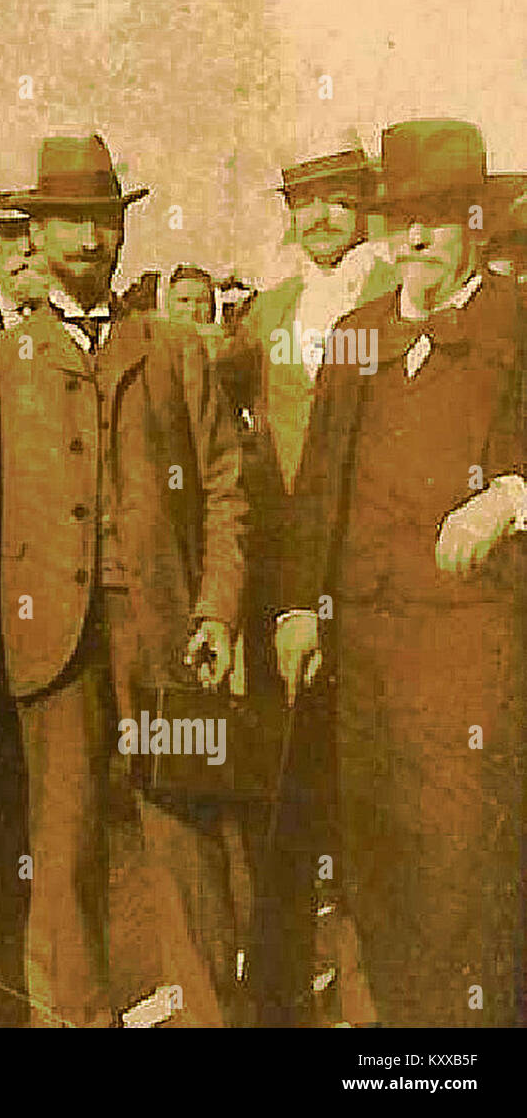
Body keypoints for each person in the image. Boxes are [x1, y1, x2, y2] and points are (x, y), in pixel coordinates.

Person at [0, 133, 249, 1027]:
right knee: (61, 846)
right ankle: (74, 1016)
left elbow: (225, 490)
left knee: (188, 831)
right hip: (49, 631)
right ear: (35, 236)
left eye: (103, 223)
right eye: (71, 225)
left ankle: (212, 1014)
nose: (91, 243)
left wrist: (217, 608)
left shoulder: (173, 349)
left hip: (166, 628)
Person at [276, 119, 526, 1027]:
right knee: (376, 884)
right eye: (400, 220)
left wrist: (510, 494)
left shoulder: (517, 322)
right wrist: (297, 606)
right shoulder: (354, 335)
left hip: (475, 667)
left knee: (467, 889)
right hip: (366, 671)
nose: (413, 239)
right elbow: (312, 494)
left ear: (474, 222)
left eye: (435, 218)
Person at [223, 144, 397, 1023]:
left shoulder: (394, 292)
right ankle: (291, 990)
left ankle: (376, 998)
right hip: (288, 573)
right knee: (293, 789)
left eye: (337, 200)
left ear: (366, 205)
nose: (321, 217)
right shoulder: (269, 311)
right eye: (304, 203)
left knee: (371, 788)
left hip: (373, 564)